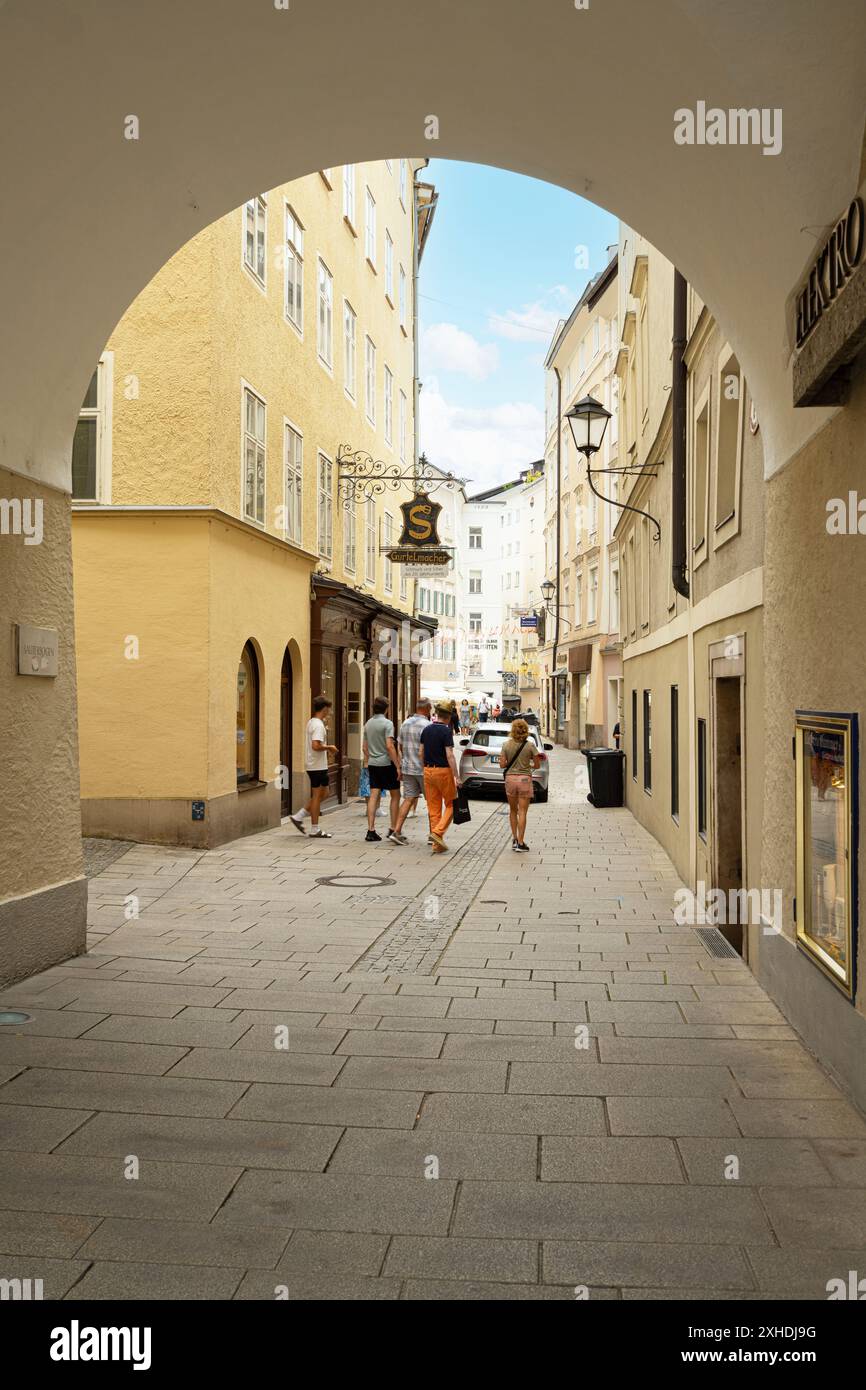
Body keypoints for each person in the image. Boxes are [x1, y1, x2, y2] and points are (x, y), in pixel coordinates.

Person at [290, 695, 338, 838]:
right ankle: (315, 828)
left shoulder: (312, 722)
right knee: (317, 796)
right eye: (328, 709)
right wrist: (329, 747)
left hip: (316, 765)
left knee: (325, 793)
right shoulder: (318, 725)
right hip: (316, 766)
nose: (329, 712)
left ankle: (299, 816)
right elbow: (315, 745)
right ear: (324, 709)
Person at [421, 701, 460, 853]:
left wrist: (424, 768)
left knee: (434, 808)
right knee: (452, 804)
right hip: (443, 771)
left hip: (428, 771)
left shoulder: (426, 729)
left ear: (437, 714)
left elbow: (421, 752)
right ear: (449, 717)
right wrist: (456, 776)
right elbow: (450, 755)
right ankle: (437, 833)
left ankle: (437, 845)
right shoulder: (445, 731)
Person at [499, 716, 541, 853]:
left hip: (510, 779)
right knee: (523, 811)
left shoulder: (506, 745)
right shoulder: (530, 745)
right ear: (525, 730)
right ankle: (521, 843)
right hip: (524, 779)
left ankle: (514, 839)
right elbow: (537, 764)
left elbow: (502, 765)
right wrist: (527, 764)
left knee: (513, 810)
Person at [392, 697, 432, 841]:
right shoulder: (428, 725)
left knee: (408, 799)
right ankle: (433, 834)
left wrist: (401, 764)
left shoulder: (405, 723)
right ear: (427, 708)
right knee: (431, 802)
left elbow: (400, 746)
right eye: (430, 708)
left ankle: (396, 831)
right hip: (423, 769)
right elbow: (428, 749)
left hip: (408, 767)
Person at [363, 695, 401, 843]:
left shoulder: (368, 724)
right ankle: (393, 829)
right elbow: (389, 746)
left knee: (374, 795)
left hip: (373, 763)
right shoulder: (388, 724)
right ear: (386, 708)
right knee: (395, 795)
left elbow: (364, 748)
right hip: (387, 763)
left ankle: (371, 830)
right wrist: (397, 765)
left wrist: (371, 757)